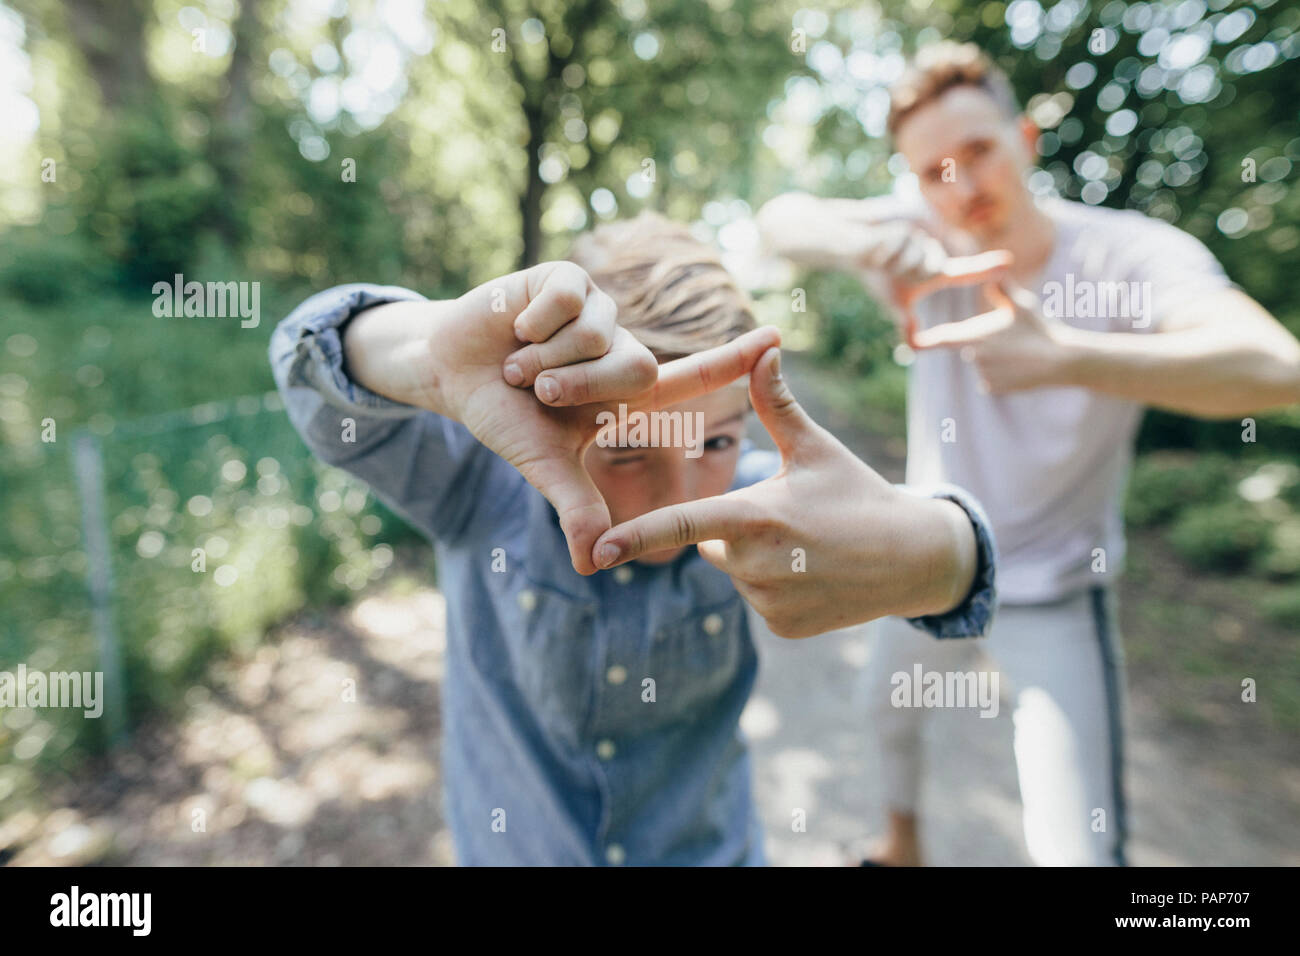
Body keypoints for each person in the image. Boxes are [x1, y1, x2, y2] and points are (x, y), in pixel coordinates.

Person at [269, 212, 998, 865]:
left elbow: (917, 536)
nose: (678, 500)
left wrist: (947, 553)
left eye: (715, 439)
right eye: (625, 451)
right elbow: (306, 365)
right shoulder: (478, 487)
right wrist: (429, 360)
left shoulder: (757, 502)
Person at [754, 41, 1300, 866]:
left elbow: (1276, 368)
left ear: (1028, 138)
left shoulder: (1125, 254)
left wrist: (1070, 354)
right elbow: (780, 220)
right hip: (929, 551)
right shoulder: (922, 237)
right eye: (932, 169)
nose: (962, 187)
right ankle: (900, 846)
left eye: (979, 152)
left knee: (1079, 847)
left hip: (1055, 584)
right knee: (885, 712)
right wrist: (858, 242)